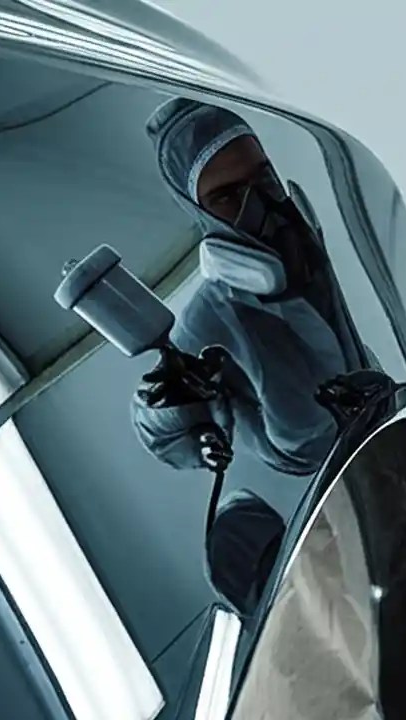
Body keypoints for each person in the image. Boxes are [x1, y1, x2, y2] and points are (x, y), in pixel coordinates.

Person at [131, 98, 363, 478]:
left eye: (264, 178)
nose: (260, 203)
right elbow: (155, 428)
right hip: (325, 482)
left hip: (385, 436)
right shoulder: (208, 316)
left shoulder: (320, 257)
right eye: (226, 196)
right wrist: (168, 407)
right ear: (198, 211)